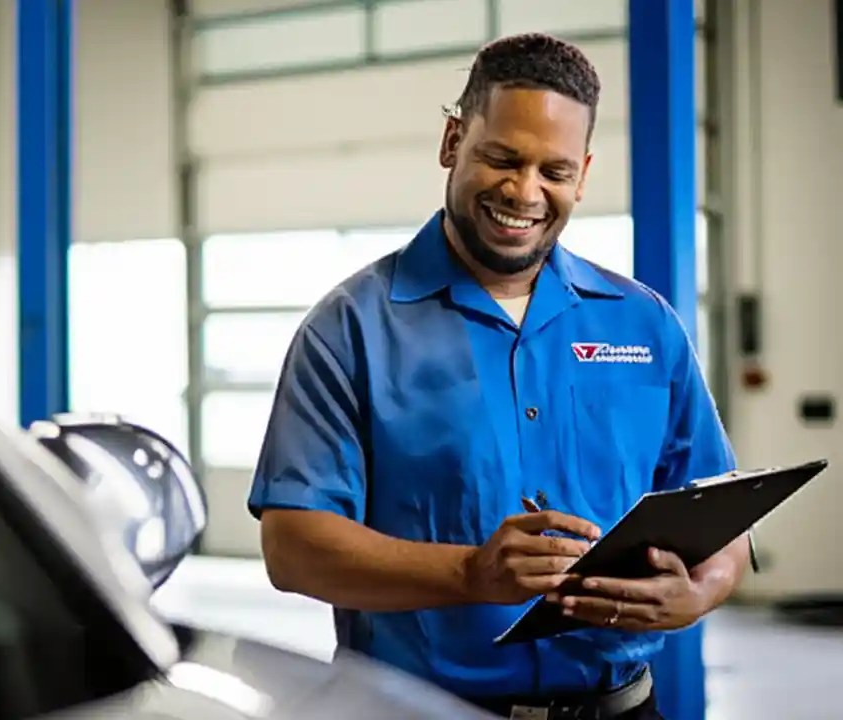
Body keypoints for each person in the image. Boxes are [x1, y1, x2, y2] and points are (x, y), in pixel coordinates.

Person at [247, 32, 748, 719]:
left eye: (554, 171)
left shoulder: (644, 325)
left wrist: (699, 592)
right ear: (453, 141)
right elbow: (293, 548)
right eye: (503, 159)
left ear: (583, 175)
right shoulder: (349, 330)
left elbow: (721, 515)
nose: (525, 191)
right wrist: (469, 572)